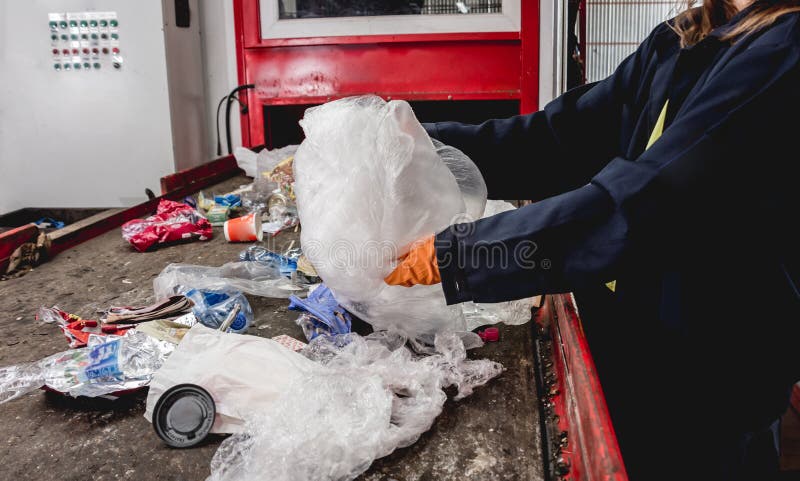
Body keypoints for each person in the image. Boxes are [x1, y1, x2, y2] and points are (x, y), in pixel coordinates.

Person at [384, 1, 800, 480]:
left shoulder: (785, 51)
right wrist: (417, 148)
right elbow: (558, 139)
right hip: (633, 342)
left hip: (710, 372)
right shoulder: (688, 36)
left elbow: (651, 197)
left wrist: (455, 255)